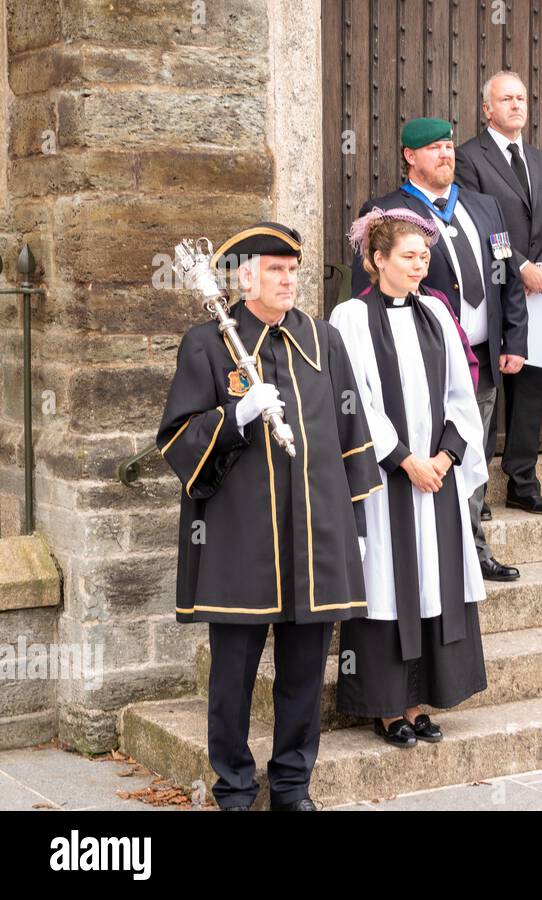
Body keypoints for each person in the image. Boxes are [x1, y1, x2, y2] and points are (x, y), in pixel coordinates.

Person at [157, 222, 382, 810]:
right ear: (244, 277)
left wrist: (356, 524)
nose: (288, 280)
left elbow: (352, 433)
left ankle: (291, 787)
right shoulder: (208, 344)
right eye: (275, 270)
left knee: (305, 676)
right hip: (241, 541)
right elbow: (177, 440)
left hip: (317, 536)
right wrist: (234, 418)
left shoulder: (323, 339)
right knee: (232, 677)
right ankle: (232, 787)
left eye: (293, 269)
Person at [330, 208, 488, 746]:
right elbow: (353, 400)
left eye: (425, 256)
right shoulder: (349, 318)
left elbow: (460, 395)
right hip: (387, 479)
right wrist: (403, 459)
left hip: (435, 478)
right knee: (389, 587)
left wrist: (445, 457)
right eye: (409, 256)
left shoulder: (437, 314)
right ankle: (386, 705)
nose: (420, 264)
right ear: (378, 260)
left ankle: (421, 698)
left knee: (432, 582)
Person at [351, 116, 529, 583]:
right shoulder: (385, 212)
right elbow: (365, 293)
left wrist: (514, 338)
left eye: (449, 146)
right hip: (417, 367)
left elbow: (507, 275)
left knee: (471, 450)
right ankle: (428, 554)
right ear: (410, 157)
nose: (446, 154)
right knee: (424, 457)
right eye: (434, 148)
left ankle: (471, 548)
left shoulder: (485, 206)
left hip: (481, 357)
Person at [456, 70, 542, 515]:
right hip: (491, 292)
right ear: (487, 108)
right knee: (484, 390)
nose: (516, 105)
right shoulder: (469, 159)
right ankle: (477, 487)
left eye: (521, 98)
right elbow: (478, 222)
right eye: (506, 99)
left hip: (538, 295)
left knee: (529, 392)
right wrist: (520, 264)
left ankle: (523, 482)